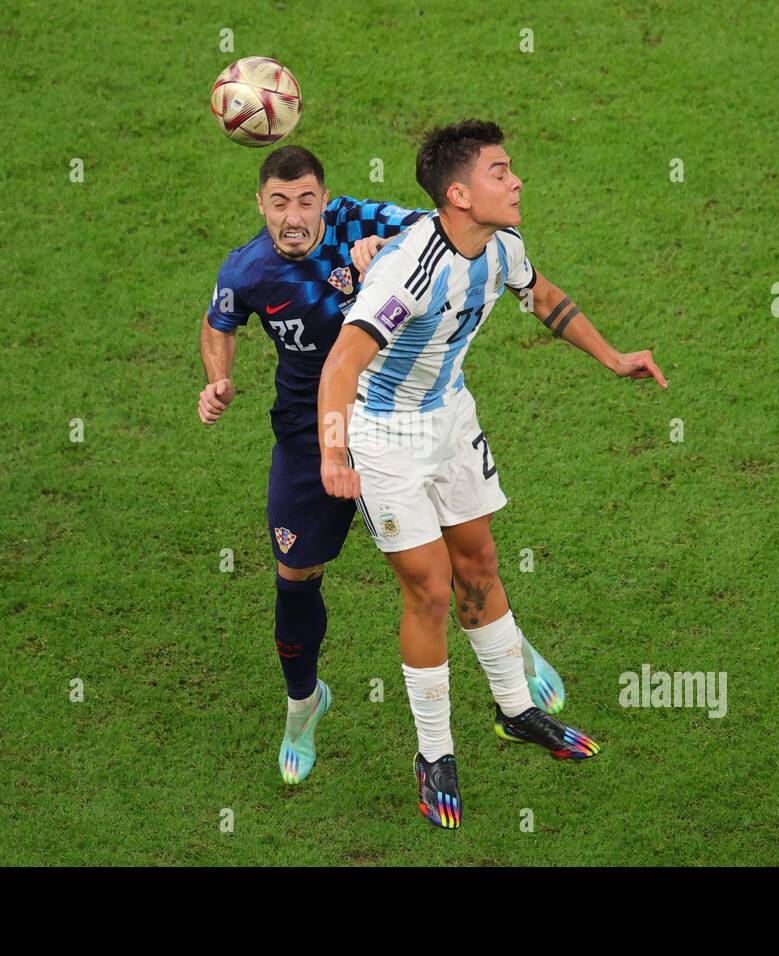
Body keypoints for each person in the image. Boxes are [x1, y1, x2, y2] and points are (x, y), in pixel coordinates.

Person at [317, 120, 668, 827]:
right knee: (431, 590)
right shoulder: (408, 269)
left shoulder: (500, 245)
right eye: (501, 172)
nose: (516, 182)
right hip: (385, 438)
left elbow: (541, 296)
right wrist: (333, 452)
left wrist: (614, 357)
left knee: (479, 561)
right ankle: (435, 754)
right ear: (459, 193)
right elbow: (342, 365)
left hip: (450, 419)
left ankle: (516, 711)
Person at [197, 144, 569, 787]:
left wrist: (381, 248)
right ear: (260, 204)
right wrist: (219, 380)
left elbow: (440, 224)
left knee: (454, 561)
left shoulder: (360, 219)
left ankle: (513, 660)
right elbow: (219, 322)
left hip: (395, 424)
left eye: (306, 200)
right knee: (296, 572)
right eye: (279, 203)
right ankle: (303, 703)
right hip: (309, 439)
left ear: (326, 199)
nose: (294, 216)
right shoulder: (247, 269)